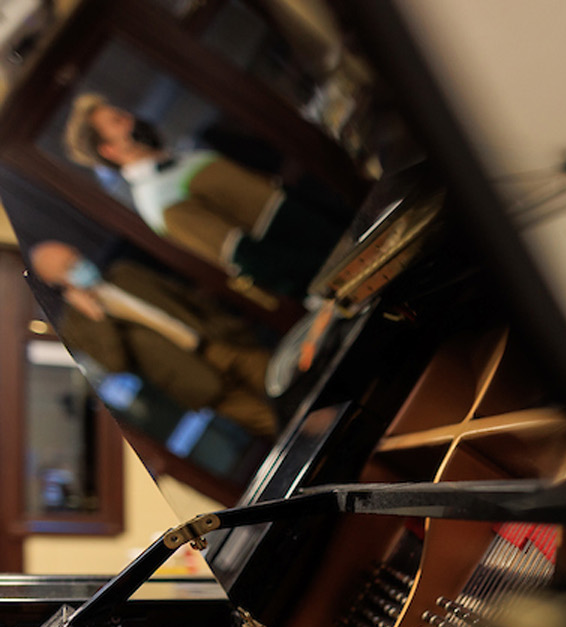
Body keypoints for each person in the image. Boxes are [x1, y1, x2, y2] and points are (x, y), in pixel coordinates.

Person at [63, 95, 339, 299]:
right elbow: (248, 258)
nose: (130, 119)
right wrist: (324, 269)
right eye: (117, 121)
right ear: (109, 151)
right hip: (313, 259)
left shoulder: (178, 156)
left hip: (318, 223)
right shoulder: (157, 200)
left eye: (122, 112)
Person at [30, 240, 279, 437]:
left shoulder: (123, 273)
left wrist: (227, 326)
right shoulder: (75, 326)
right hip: (193, 378)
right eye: (68, 266)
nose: (78, 264)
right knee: (271, 421)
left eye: (75, 256)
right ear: (54, 281)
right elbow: (117, 364)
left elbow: (184, 296)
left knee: (286, 381)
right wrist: (98, 317)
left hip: (219, 343)